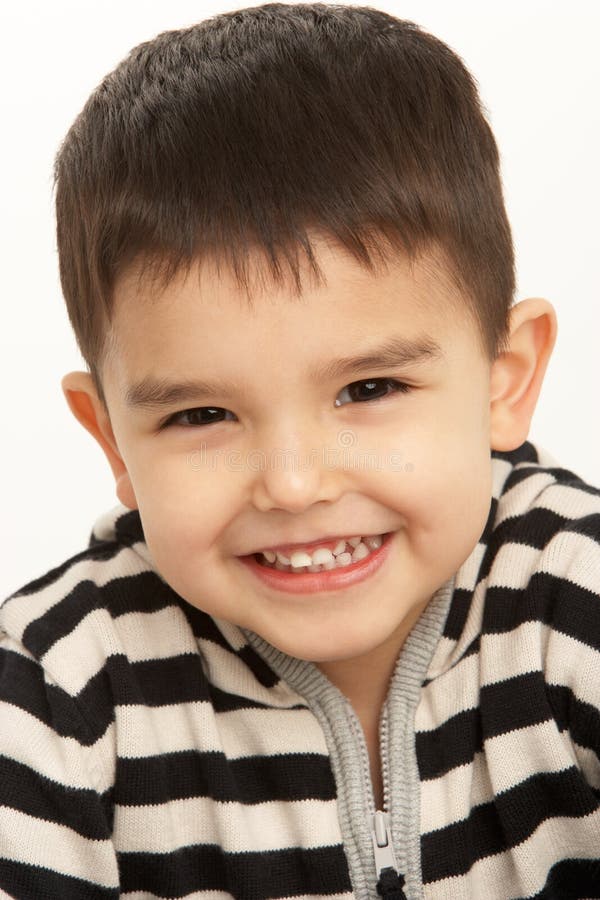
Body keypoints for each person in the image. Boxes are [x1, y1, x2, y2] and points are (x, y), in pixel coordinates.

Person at [1, 3, 599, 898]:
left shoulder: (576, 598)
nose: (292, 484)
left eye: (369, 390)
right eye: (202, 415)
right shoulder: (52, 694)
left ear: (502, 381)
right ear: (112, 440)